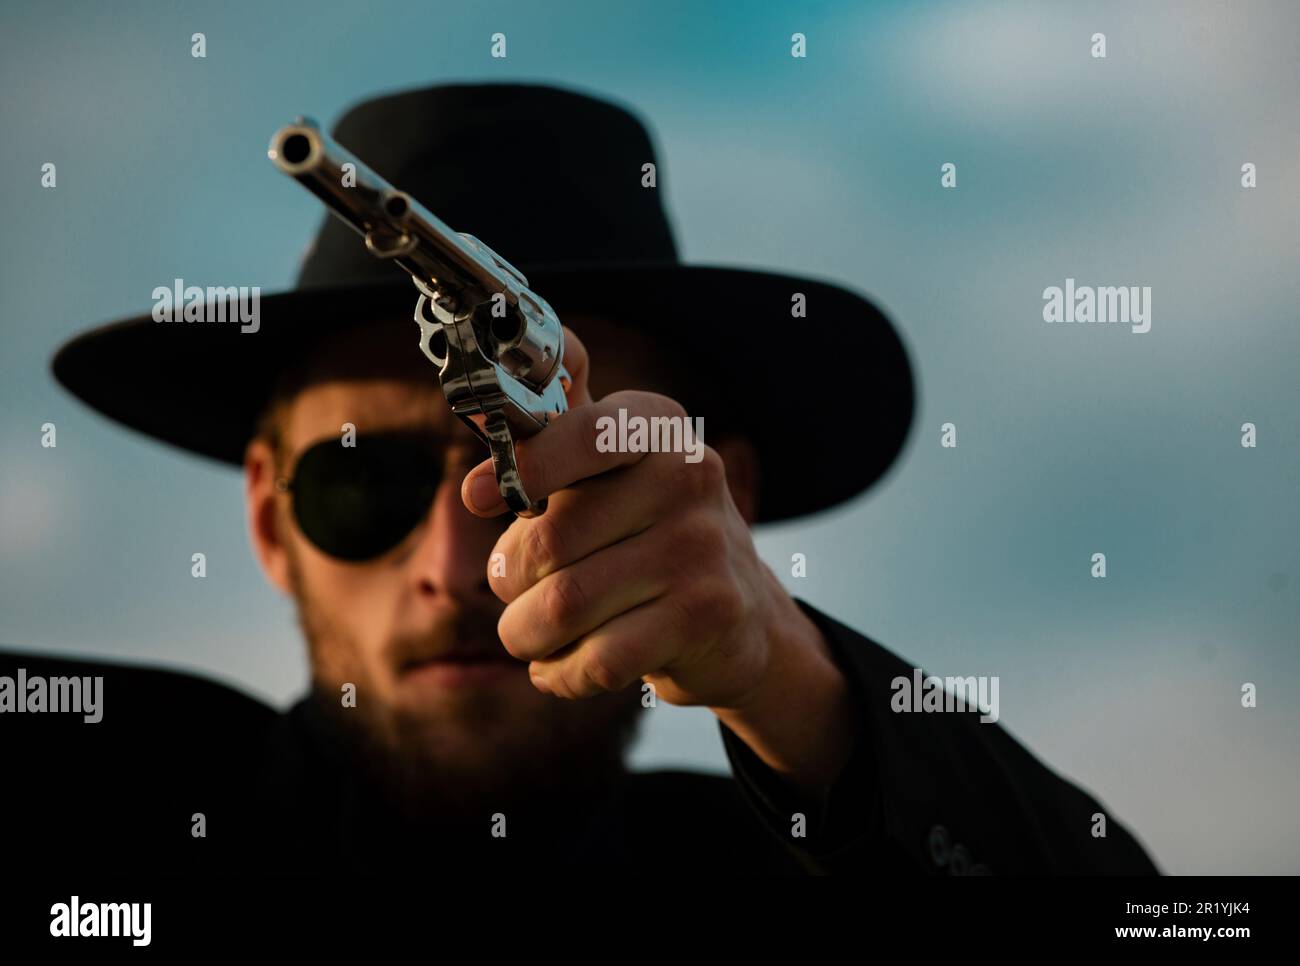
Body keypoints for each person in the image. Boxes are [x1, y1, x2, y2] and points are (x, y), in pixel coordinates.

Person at [16, 82, 1157, 875]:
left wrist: (792, 683)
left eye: (539, 489)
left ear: (723, 504)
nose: (463, 570)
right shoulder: (104, 796)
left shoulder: (777, 867)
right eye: (361, 485)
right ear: (267, 521)